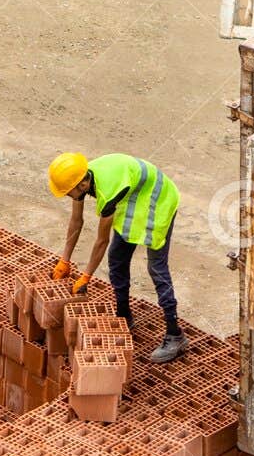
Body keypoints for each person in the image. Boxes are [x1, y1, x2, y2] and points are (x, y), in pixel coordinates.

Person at [47, 151, 187, 363]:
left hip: (159, 199)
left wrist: (85, 277)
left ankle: (175, 335)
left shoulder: (107, 192)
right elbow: (76, 221)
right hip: (134, 198)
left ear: (82, 185)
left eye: (68, 192)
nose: (68, 196)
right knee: (117, 258)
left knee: (156, 267)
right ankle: (124, 317)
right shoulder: (82, 176)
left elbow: (101, 241)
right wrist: (64, 260)